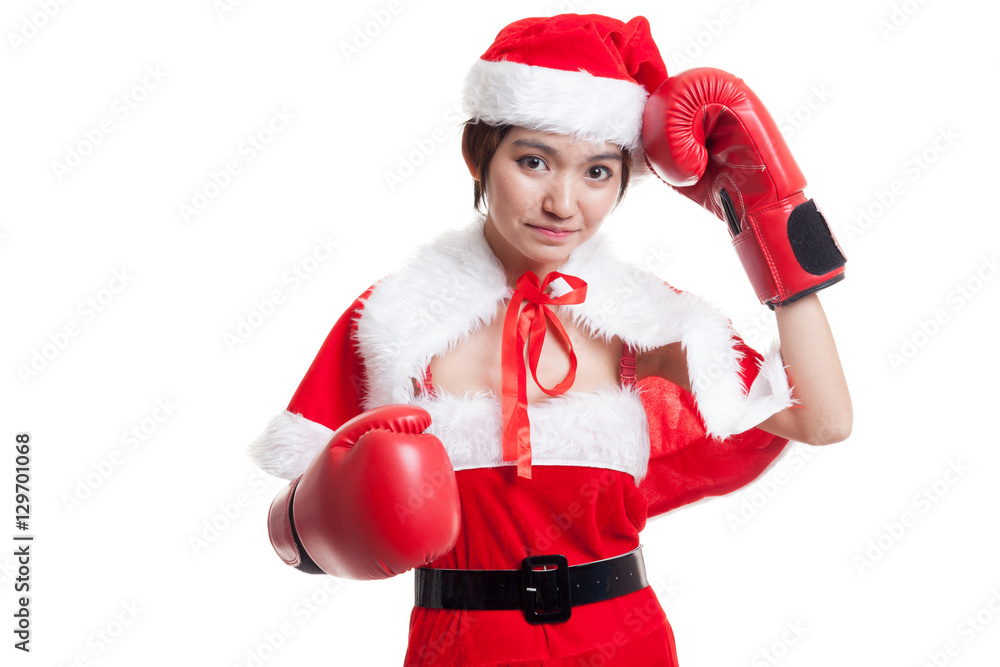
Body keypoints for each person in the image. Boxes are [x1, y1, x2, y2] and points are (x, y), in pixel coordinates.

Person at [247, 13, 852, 666]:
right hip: (462, 648)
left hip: (625, 643)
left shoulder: (640, 321)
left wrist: (765, 217)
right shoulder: (396, 322)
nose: (563, 202)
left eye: (597, 172)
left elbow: (823, 418)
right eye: (534, 161)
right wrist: (336, 515)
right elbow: (293, 531)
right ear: (478, 153)